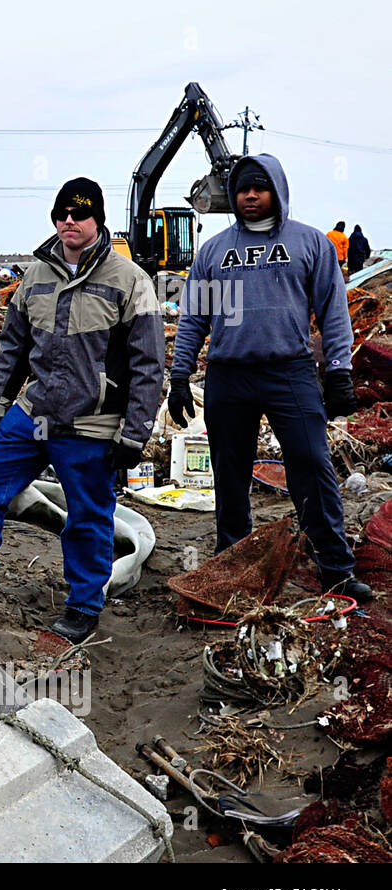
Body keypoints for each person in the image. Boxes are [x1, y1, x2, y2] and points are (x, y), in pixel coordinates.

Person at [0, 177, 164, 644]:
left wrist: (135, 433)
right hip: (34, 413)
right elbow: (12, 347)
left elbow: (149, 364)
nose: (70, 221)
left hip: (93, 423)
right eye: (63, 213)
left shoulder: (129, 281)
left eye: (81, 213)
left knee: (89, 516)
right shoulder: (36, 276)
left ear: (99, 221)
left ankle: (84, 605)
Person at [169, 154, 372, 602]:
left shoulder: (310, 243)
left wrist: (339, 371)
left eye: (260, 187)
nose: (250, 195)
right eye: (243, 189)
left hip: (291, 372)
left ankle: (336, 570)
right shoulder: (214, 250)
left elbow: (334, 310)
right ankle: (233, 564)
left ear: (276, 190)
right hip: (228, 375)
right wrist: (180, 374)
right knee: (230, 474)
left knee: (313, 467)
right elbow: (193, 318)